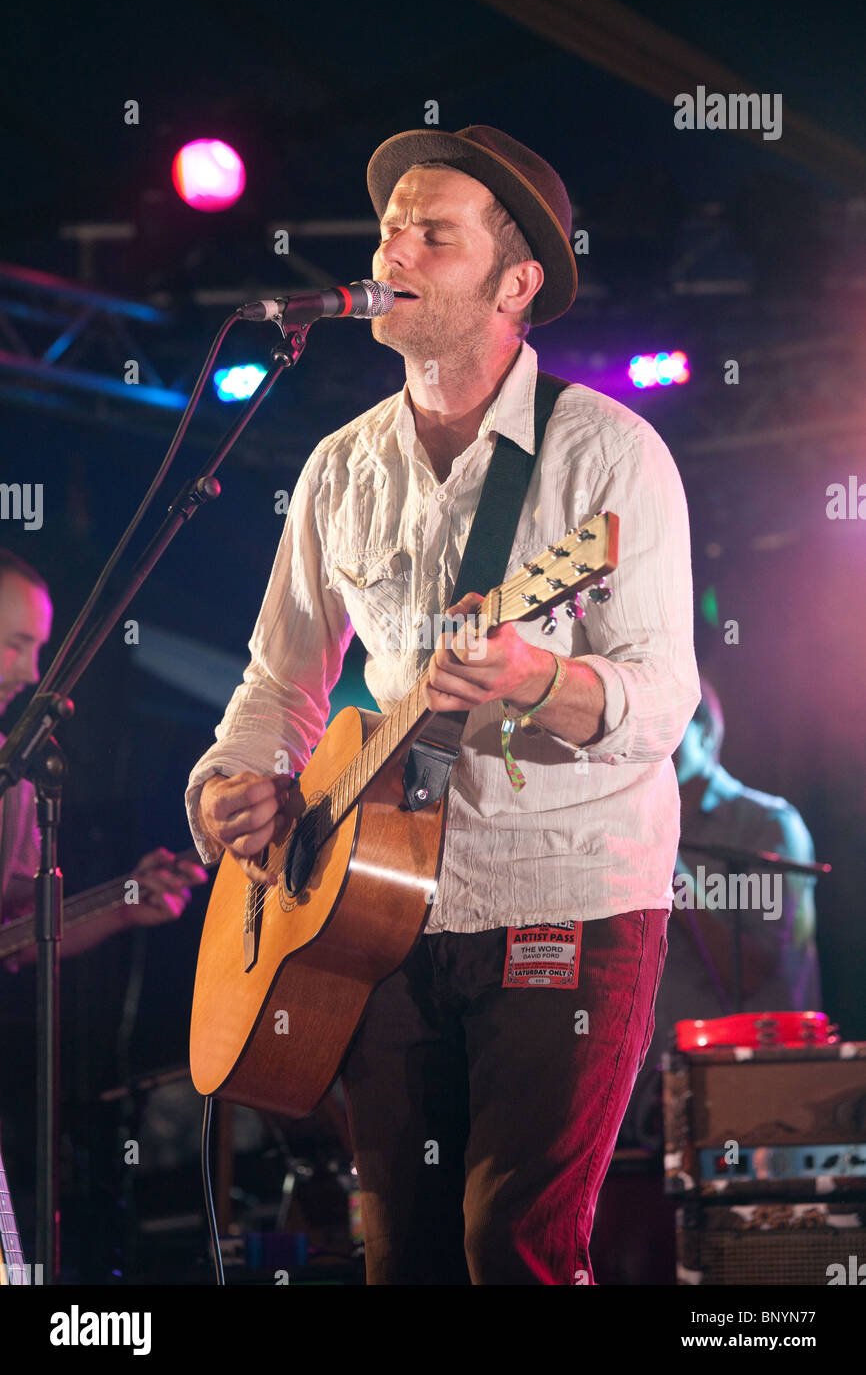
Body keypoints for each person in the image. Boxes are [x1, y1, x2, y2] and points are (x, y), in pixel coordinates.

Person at [185, 125, 700, 1285]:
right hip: (380, 906)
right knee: (401, 1255)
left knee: (507, 1245)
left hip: (560, 891)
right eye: (387, 228)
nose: (390, 248)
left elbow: (663, 697)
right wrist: (230, 787)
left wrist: (540, 680)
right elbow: (279, 682)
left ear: (516, 283)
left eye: (432, 232)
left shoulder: (608, 455)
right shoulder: (336, 465)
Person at [619, 674, 821, 1152]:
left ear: (708, 734)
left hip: (756, 1100)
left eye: (671, 726)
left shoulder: (768, 825)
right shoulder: (627, 827)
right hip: (653, 1101)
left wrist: (666, 860)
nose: (654, 740)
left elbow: (748, 970)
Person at [0, 548, 207, 952]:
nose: (31, 672)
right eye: (15, 644)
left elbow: (21, 938)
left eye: (37, 649)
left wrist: (124, 905)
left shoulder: (16, 778)